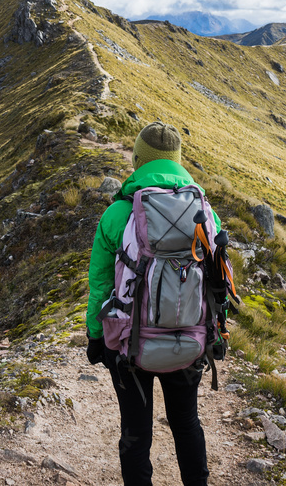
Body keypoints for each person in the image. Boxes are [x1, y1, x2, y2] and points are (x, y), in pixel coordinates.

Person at [86, 121, 217, 486]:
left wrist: (97, 336)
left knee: (136, 432)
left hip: (130, 343)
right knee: (187, 422)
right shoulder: (204, 211)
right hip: (189, 339)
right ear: (177, 161)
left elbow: (99, 285)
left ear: (138, 160)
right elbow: (217, 278)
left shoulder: (116, 214)